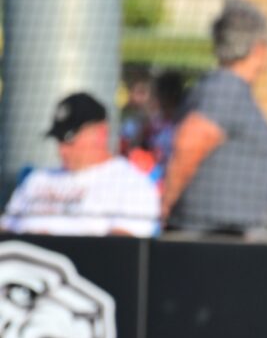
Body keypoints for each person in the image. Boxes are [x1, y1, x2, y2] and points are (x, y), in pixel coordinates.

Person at [161, 0, 267, 237]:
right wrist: (166, 205)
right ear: (258, 48)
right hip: (215, 236)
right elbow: (190, 141)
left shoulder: (226, 88)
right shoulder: (225, 87)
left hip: (224, 235)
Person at [1, 92, 159, 237]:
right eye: (59, 140)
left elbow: (120, 253)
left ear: (100, 133)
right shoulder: (36, 179)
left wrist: (46, 244)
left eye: (70, 140)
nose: (62, 150)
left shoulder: (131, 184)